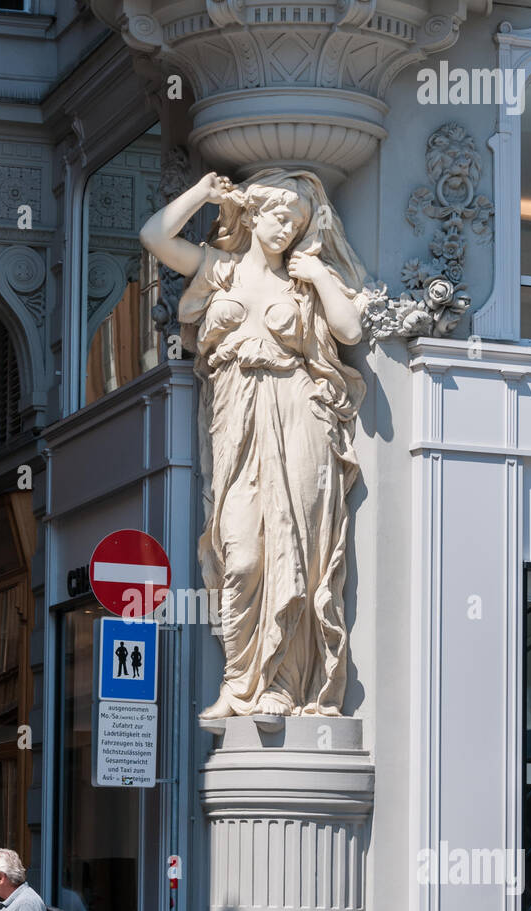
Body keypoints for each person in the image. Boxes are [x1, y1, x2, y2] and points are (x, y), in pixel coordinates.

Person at [140, 167, 366, 719]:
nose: (287, 227)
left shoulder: (302, 280)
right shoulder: (220, 270)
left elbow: (351, 333)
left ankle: (283, 687)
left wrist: (319, 274)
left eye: (297, 219)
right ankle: (238, 682)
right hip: (236, 423)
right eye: (278, 214)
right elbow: (153, 238)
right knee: (240, 555)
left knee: (297, 554)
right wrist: (201, 193)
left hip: (299, 418)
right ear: (254, 214)